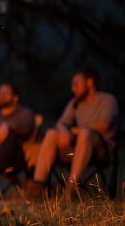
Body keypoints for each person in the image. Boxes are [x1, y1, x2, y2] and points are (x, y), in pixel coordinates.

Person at [25, 67, 118, 197]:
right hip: (78, 149)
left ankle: (72, 187)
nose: (73, 89)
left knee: (85, 133)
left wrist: (74, 131)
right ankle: (39, 185)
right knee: (52, 133)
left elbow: (105, 125)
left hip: (101, 150)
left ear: (90, 82)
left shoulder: (108, 100)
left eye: (76, 84)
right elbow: (61, 123)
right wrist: (63, 131)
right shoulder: (75, 103)